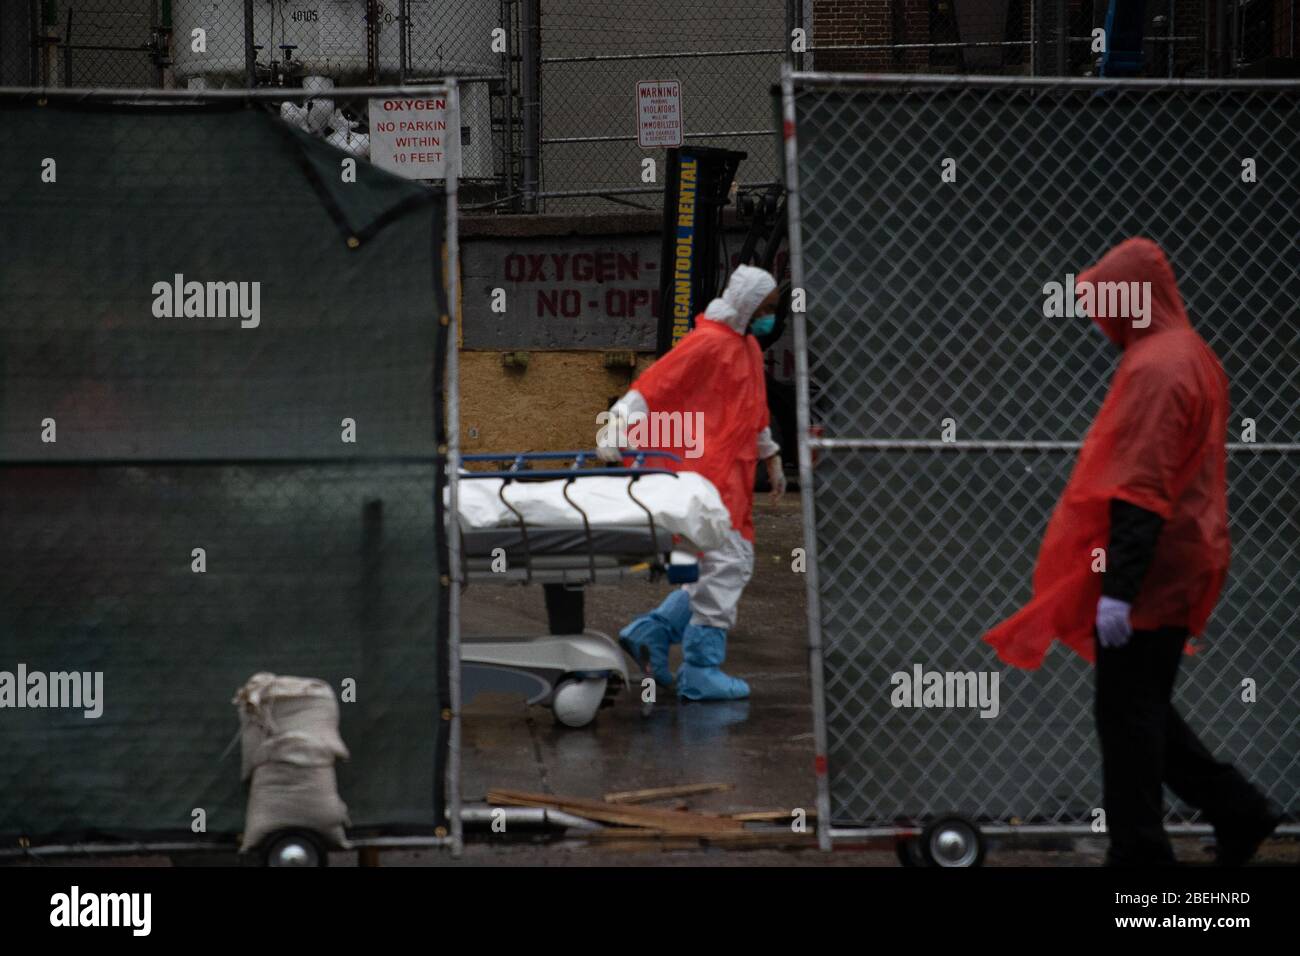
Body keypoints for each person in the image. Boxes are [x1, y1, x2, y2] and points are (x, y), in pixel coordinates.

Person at [983, 237, 1279, 866]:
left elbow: (1139, 488)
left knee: (1128, 718)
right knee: (1139, 708)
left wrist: (1118, 589)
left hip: (1156, 569)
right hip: (1182, 555)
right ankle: (1237, 809)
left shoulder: (1156, 368)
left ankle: (1143, 855)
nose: (1098, 317)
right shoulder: (1186, 354)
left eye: (1106, 301)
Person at [597, 265, 784, 701]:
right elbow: (654, 387)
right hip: (709, 477)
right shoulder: (710, 344)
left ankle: (652, 633)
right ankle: (700, 669)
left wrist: (769, 454)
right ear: (747, 304)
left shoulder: (746, 346)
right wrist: (617, 428)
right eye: (768, 307)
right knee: (729, 564)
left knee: (710, 565)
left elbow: (754, 410)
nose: (772, 315)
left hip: (729, 476)